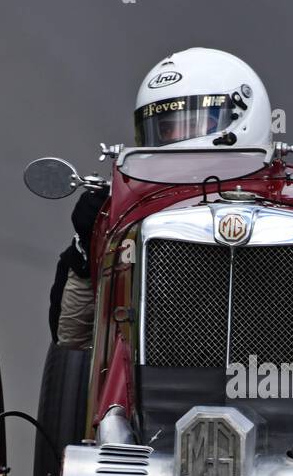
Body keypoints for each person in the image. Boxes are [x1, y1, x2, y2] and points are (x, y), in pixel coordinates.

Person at [48, 47, 273, 346]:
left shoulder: (289, 199)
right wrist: (90, 244)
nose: (178, 137)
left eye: (194, 122)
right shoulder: (127, 204)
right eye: (165, 129)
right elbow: (69, 343)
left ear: (241, 115)